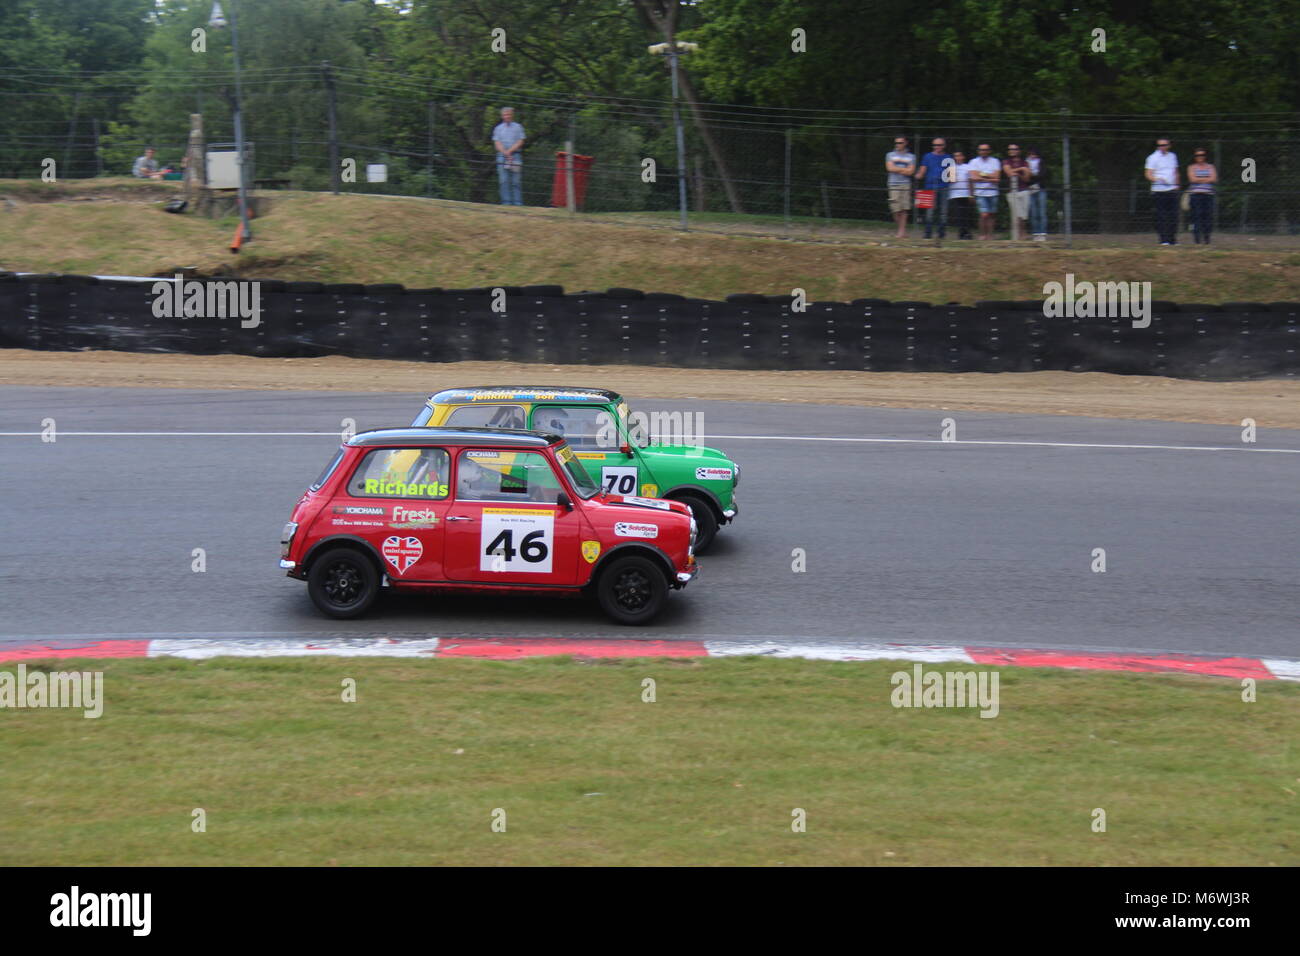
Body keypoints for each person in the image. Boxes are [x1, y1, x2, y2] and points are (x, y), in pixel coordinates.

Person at [1145, 137, 1180, 245]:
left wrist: (1177, 185)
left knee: (1173, 215)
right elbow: (1148, 174)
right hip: (1159, 190)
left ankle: (1172, 239)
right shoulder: (1152, 158)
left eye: (1164, 145)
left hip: (1172, 189)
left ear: (1169, 145)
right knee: (1162, 215)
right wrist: (1157, 179)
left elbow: (1176, 171)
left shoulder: (1173, 156)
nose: (1162, 147)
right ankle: (1163, 239)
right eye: (1160, 145)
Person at [914, 137, 951, 239]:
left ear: (944, 146)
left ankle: (941, 234)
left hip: (944, 187)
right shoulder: (927, 156)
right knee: (929, 211)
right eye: (935, 145)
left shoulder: (948, 157)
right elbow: (922, 170)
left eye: (939, 145)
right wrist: (918, 175)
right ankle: (928, 233)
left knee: (943, 212)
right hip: (929, 186)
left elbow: (951, 175)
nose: (937, 147)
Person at [492, 107, 526, 206]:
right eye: (505, 115)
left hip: (516, 156)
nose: (507, 116)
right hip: (502, 157)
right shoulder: (498, 128)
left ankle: (517, 203)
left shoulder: (518, 127)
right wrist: (505, 152)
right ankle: (506, 203)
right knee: (503, 181)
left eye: (509, 114)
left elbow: (521, 141)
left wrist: (510, 151)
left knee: (516, 181)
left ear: (512, 115)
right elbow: (497, 143)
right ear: (502, 116)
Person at [967, 143, 1001, 240]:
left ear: (989, 151)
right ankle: (982, 234)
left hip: (993, 192)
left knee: (992, 214)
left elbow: (997, 178)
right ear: (978, 151)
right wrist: (990, 177)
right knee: (983, 214)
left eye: (986, 150)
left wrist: (981, 174)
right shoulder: (973, 162)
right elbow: (973, 177)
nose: (984, 152)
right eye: (982, 150)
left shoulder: (995, 161)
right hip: (980, 192)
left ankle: (990, 235)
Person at [884, 136, 916, 239]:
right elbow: (889, 168)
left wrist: (896, 168)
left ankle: (901, 232)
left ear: (905, 143)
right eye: (896, 143)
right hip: (893, 183)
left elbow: (911, 171)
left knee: (904, 208)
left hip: (906, 184)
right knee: (895, 209)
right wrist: (904, 169)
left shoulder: (911, 156)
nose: (898, 145)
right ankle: (901, 229)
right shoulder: (890, 155)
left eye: (900, 142)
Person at [1186, 147, 1217, 245]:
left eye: (1202, 155)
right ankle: (1197, 240)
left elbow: (1214, 178)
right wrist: (1206, 178)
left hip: (1208, 195)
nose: (1200, 157)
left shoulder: (1210, 167)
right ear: (1195, 157)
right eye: (1198, 155)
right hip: (1195, 195)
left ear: (1205, 156)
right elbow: (1192, 179)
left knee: (1208, 217)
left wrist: (1199, 178)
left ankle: (1207, 239)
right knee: (1196, 217)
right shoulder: (1191, 167)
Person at [1002, 143, 1031, 240]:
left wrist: (1018, 172)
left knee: (1024, 215)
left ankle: (1023, 234)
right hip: (1012, 191)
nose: (1012, 151)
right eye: (1010, 149)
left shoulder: (1025, 162)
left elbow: (1027, 178)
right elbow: (1009, 173)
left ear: (1019, 151)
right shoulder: (1006, 162)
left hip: (1024, 190)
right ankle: (1018, 235)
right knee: (1017, 214)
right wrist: (1021, 169)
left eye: (1015, 149)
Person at [947, 149, 974, 239]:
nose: (957, 158)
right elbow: (951, 180)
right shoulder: (951, 167)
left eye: (959, 156)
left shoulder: (968, 167)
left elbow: (970, 181)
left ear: (963, 157)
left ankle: (966, 232)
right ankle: (962, 232)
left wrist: (971, 194)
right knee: (959, 214)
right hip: (955, 194)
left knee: (966, 214)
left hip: (965, 194)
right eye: (956, 156)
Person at [1026, 147, 1048, 240]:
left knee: (1042, 212)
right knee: (1034, 213)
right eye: (1031, 154)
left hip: (1041, 188)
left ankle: (1042, 233)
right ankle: (1035, 233)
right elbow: (1025, 177)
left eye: (1034, 154)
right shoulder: (1026, 163)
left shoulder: (1041, 162)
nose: (1032, 156)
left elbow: (1042, 175)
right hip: (1031, 189)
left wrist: (1032, 175)